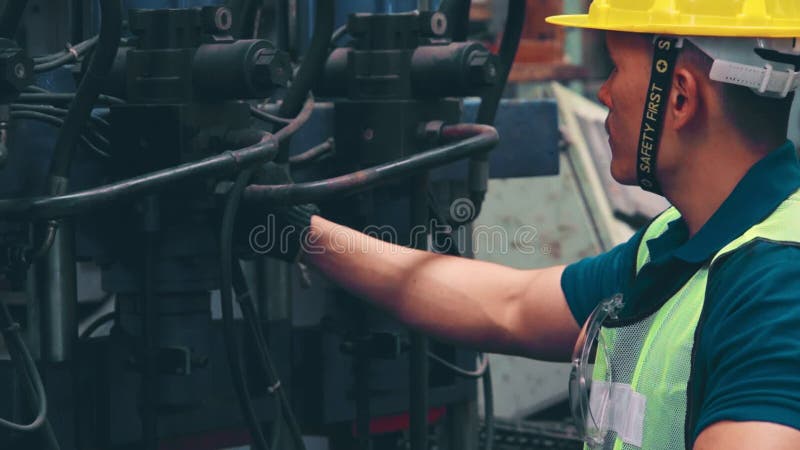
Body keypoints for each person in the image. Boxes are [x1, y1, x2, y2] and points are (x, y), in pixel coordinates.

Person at [260, 1, 800, 448]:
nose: (604, 93)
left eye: (614, 69)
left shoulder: (777, 289)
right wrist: (300, 231)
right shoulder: (679, 244)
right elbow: (508, 305)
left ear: (678, 96)